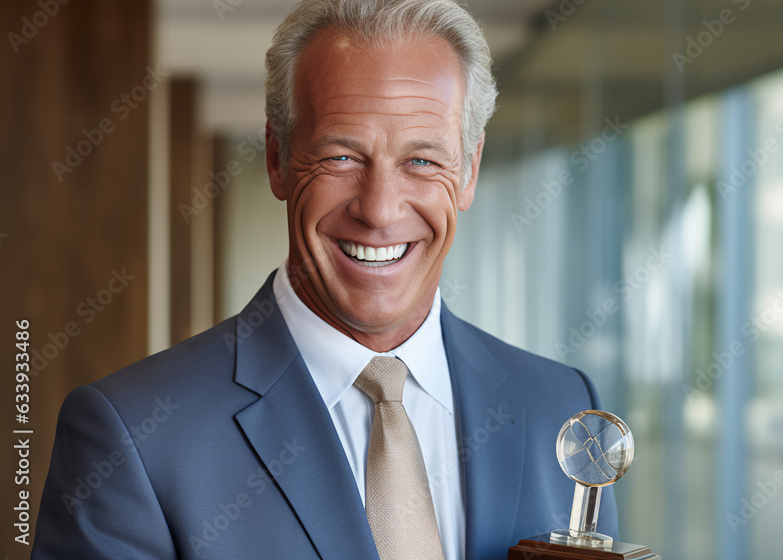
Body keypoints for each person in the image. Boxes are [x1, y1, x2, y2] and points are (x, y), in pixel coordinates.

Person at [32, 0, 617, 558]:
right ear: (277, 159)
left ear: (468, 171)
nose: (380, 209)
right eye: (341, 156)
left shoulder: (563, 410)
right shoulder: (133, 436)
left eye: (422, 160)